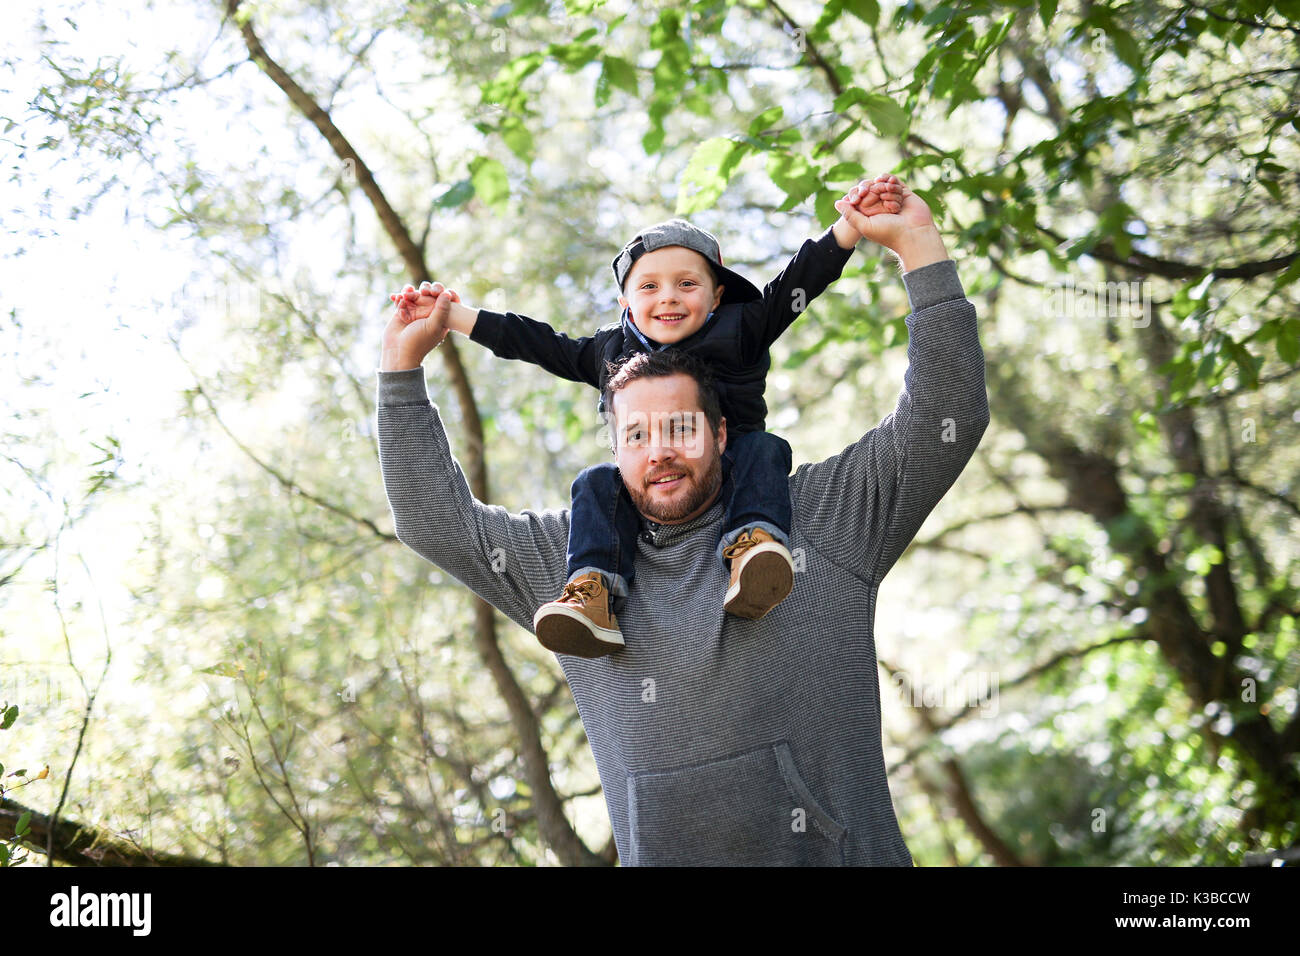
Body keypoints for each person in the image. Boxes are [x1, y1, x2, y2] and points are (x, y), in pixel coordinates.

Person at [377, 181, 989, 865]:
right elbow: (434, 521)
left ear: (722, 432)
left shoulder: (821, 519)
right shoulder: (572, 563)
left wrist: (918, 249)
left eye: (679, 427)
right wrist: (402, 369)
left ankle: (748, 547)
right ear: (613, 445)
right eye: (637, 433)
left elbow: (948, 418)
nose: (659, 448)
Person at [390, 178, 903, 658]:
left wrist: (850, 228)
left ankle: (755, 547)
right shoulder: (610, 352)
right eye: (650, 288)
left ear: (717, 294)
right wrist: (454, 317)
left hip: (733, 469)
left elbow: (799, 282)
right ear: (626, 303)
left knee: (765, 450)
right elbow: (538, 343)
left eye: (686, 284)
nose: (669, 298)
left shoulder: (743, 328)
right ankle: (593, 591)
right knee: (596, 484)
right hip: (658, 484)